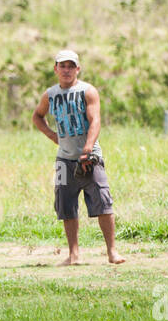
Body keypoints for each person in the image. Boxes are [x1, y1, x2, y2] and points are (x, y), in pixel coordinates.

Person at [32, 48, 125, 266]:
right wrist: (52, 135)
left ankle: (112, 251)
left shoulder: (87, 91)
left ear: (78, 69)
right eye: (62, 66)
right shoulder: (50, 94)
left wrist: (88, 148)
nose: (66, 70)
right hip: (64, 160)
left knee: (103, 202)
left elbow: (95, 121)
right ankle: (73, 254)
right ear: (55, 69)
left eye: (71, 66)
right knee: (66, 205)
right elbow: (37, 116)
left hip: (90, 157)